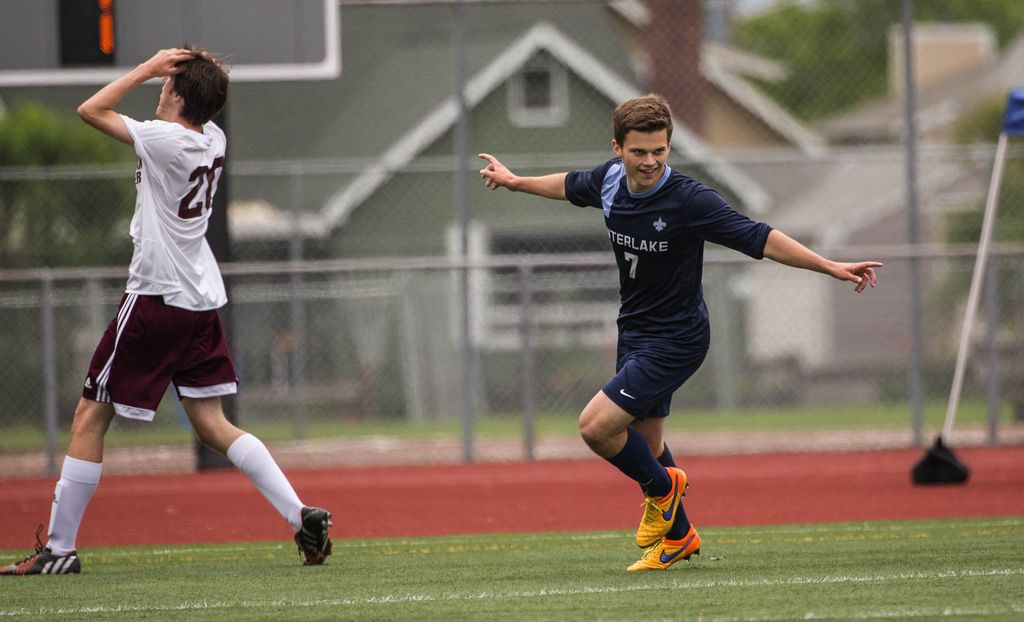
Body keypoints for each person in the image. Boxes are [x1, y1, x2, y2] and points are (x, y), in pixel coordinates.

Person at [478, 94, 881, 572]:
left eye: (660, 151)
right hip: (634, 332)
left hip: (678, 338)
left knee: (595, 427)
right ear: (617, 149)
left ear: (669, 148)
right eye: (639, 152)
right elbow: (566, 185)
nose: (650, 162)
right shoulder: (608, 182)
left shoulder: (690, 200)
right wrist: (516, 182)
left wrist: (829, 265)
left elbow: (761, 237)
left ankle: (664, 488)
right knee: (647, 448)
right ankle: (680, 536)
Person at [1, 46, 332, 575]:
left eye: (165, 86)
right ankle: (300, 514)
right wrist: (186, 73)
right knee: (212, 425)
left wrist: (145, 69)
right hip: (200, 302)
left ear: (177, 95)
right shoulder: (213, 138)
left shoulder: (167, 138)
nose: (158, 92)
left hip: (156, 297)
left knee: (89, 416)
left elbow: (89, 110)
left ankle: (59, 550)